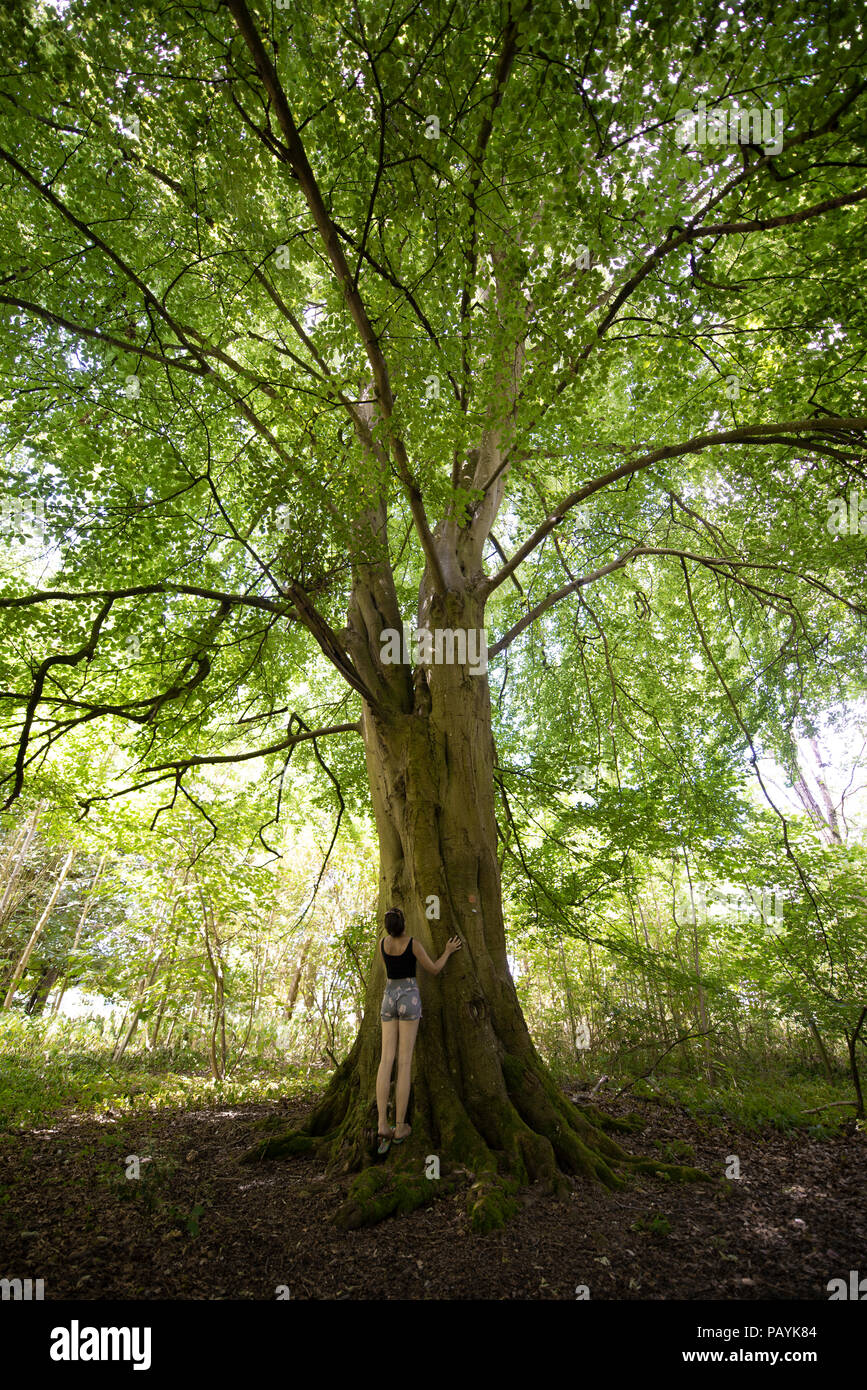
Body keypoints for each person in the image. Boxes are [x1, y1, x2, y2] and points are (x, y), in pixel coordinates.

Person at [376, 906, 462, 1152]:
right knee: (404, 1063)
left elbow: (389, 973)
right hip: (409, 998)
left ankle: (382, 1123)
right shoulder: (412, 943)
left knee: (386, 1061)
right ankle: (400, 1125)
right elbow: (434, 970)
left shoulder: (383, 945)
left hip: (389, 996)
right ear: (404, 924)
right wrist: (447, 951)